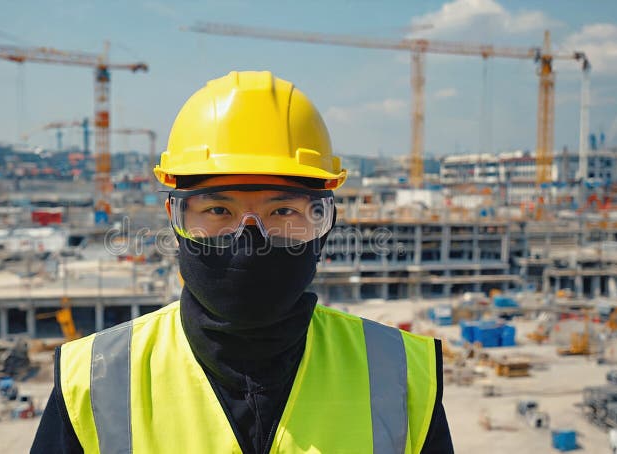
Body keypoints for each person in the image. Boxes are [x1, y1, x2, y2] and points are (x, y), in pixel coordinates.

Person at [31, 71, 453, 454]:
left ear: (325, 223)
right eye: (218, 212)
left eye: (282, 213)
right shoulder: (93, 383)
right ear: (174, 220)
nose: (249, 241)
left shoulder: (403, 378)